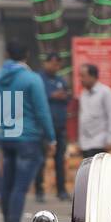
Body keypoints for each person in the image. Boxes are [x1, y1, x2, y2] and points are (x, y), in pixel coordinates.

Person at [0, 41, 54, 222]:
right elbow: (42, 112)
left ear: (8, 54)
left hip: (6, 135)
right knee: (20, 185)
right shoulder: (32, 79)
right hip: (28, 138)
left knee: (6, 182)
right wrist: (51, 137)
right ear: (26, 54)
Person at [36, 55, 70, 202]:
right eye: (54, 64)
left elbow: (68, 97)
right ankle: (39, 191)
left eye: (58, 65)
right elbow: (37, 99)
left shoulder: (60, 80)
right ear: (46, 63)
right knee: (41, 160)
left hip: (60, 126)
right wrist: (52, 95)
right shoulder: (38, 79)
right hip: (43, 128)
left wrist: (65, 95)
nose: (56, 67)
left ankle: (61, 190)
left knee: (59, 160)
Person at [77, 63, 111, 159]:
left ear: (92, 76)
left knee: (98, 172)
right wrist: (80, 141)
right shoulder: (83, 94)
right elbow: (82, 118)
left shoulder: (105, 92)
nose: (81, 79)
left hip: (100, 142)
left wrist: (110, 139)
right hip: (85, 143)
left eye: (83, 76)